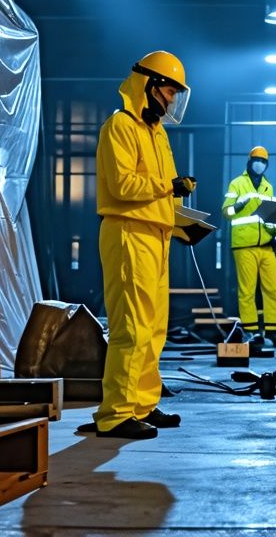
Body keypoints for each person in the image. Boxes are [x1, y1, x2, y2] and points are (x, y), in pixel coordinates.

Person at [93, 50, 198, 440]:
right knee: (131, 327)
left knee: (154, 328)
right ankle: (115, 413)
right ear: (149, 86)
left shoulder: (158, 135)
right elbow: (122, 187)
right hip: (128, 233)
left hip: (156, 235)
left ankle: (142, 404)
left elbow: (163, 193)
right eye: (169, 91)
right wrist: (168, 187)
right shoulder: (119, 127)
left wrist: (182, 223)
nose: (171, 100)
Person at [222, 146, 276, 348]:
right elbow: (227, 212)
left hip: (267, 246)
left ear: (266, 165)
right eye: (256, 160)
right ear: (249, 162)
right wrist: (239, 205)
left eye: (263, 161)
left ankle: (274, 332)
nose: (259, 163)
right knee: (247, 291)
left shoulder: (268, 187)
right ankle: (252, 333)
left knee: (273, 289)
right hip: (244, 245)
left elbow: (275, 217)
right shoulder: (237, 183)